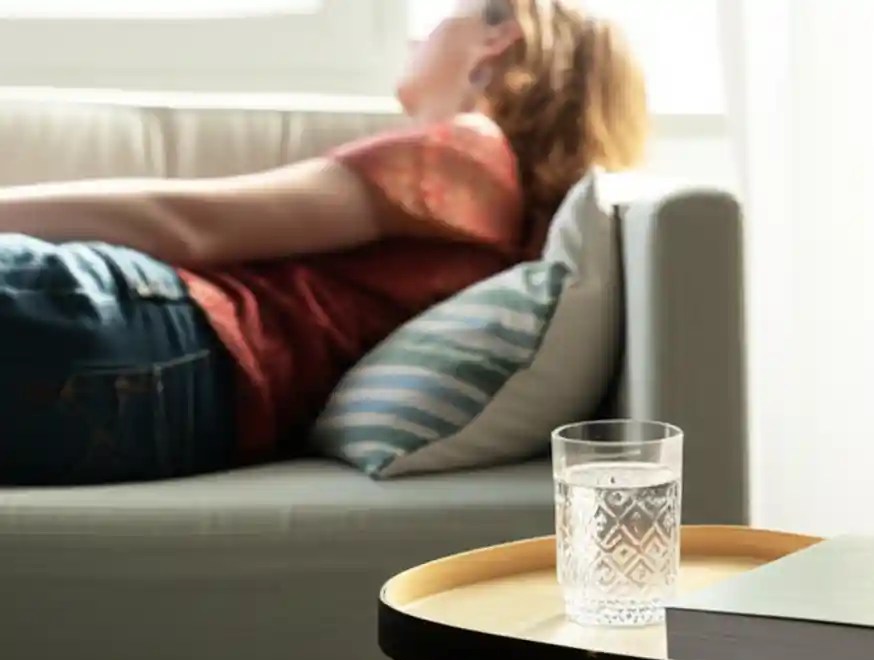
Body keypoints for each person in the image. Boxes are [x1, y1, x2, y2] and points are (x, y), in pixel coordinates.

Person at [0, 0, 648, 486]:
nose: (424, 32)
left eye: (451, 11)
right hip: (192, 416)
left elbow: (194, 225)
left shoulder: (467, 153)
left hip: (162, 332)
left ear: (500, 34)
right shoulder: (516, 209)